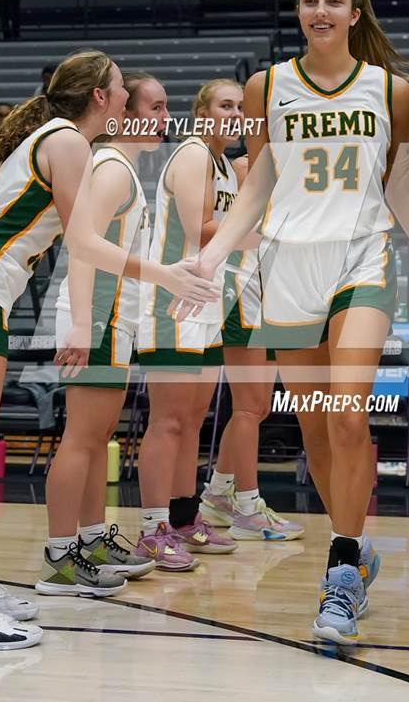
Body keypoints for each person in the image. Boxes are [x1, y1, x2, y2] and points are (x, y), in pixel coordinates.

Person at [193, 0, 409, 645]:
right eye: (308, 0)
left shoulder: (391, 90)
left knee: (347, 414)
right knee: (317, 428)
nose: (319, 10)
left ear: (355, 13)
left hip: (360, 257)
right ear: (300, 11)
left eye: (332, 1)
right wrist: (212, 252)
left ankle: (341, 570)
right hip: (286, 264)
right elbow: (258, 182)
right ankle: (355, 542)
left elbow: (398, 188)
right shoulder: (267, 85)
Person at [0, 50, 218, 649]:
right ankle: (56, 556)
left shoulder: (64, 142)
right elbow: (83, 245)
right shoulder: (73, 146)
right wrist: (162, 277)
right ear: (102, 100)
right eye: (122, 87)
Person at [37, 72, 169, 597]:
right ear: (124, 111)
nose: (163, 118)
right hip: (98, 318)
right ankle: (59, 557)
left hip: (111, 318)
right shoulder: (113, 168)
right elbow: (81, 245)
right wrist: (81, 324)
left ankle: (89, 540)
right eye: (154, 108)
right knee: (81, 440)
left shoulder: (123, 170)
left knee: (96, 441)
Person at [134, 79, 251, 570]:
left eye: (241, 107)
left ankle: (184, 519)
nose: (235, 114)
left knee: (195, 420)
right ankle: (151, 529)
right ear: (202, 111)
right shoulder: (193, 154)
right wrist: (262, 228)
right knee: (169, 421)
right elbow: (198, 229)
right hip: (172, 300)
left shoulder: (224, 163)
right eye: (225, 105)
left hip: (206, 303)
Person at [200, 144, 304, 542]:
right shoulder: (247, 166)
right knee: (249, 403)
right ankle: (246, 505)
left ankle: (216, 496)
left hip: (268, 288)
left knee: (257, 405)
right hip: (241, 285)